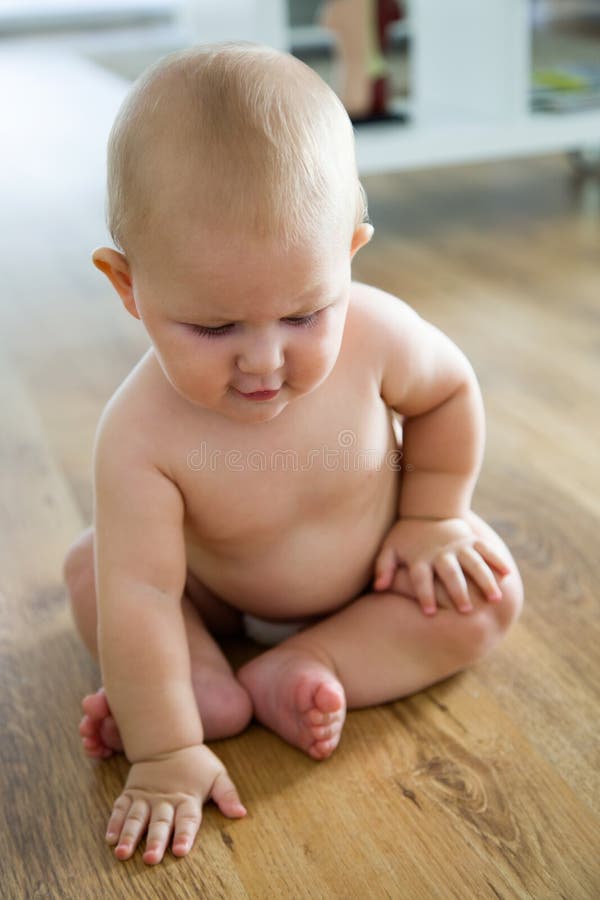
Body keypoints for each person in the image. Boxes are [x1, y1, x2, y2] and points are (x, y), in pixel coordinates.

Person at [63, 42, 523, 866]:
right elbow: (142, 593)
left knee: (489, 590)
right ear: (128, 287)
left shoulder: (380, 334)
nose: (265, 360)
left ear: (348, 251)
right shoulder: (140, 434)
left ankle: (311, 662)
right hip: (215, 586)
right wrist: (164, 752)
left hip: (376, 571)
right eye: (213, 327)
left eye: (307, 313)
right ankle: (197, 683)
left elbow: (449, 393)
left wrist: (434, 517)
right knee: (96, 574)